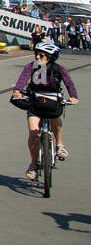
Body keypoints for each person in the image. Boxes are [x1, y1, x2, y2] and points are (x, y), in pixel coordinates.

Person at [12, 39, 79, 180]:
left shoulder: (58, 69)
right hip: (35, 101)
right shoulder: (32, 67)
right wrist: (17, 90)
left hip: (53, 100)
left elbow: (69, 83)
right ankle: (34, 164)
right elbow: (23, 78)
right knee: (33, 133)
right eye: (36, 54)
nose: (37, 57)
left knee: (55, 118)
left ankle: (60, 145)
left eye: (41, 55)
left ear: (50, 57)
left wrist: (73, 96)